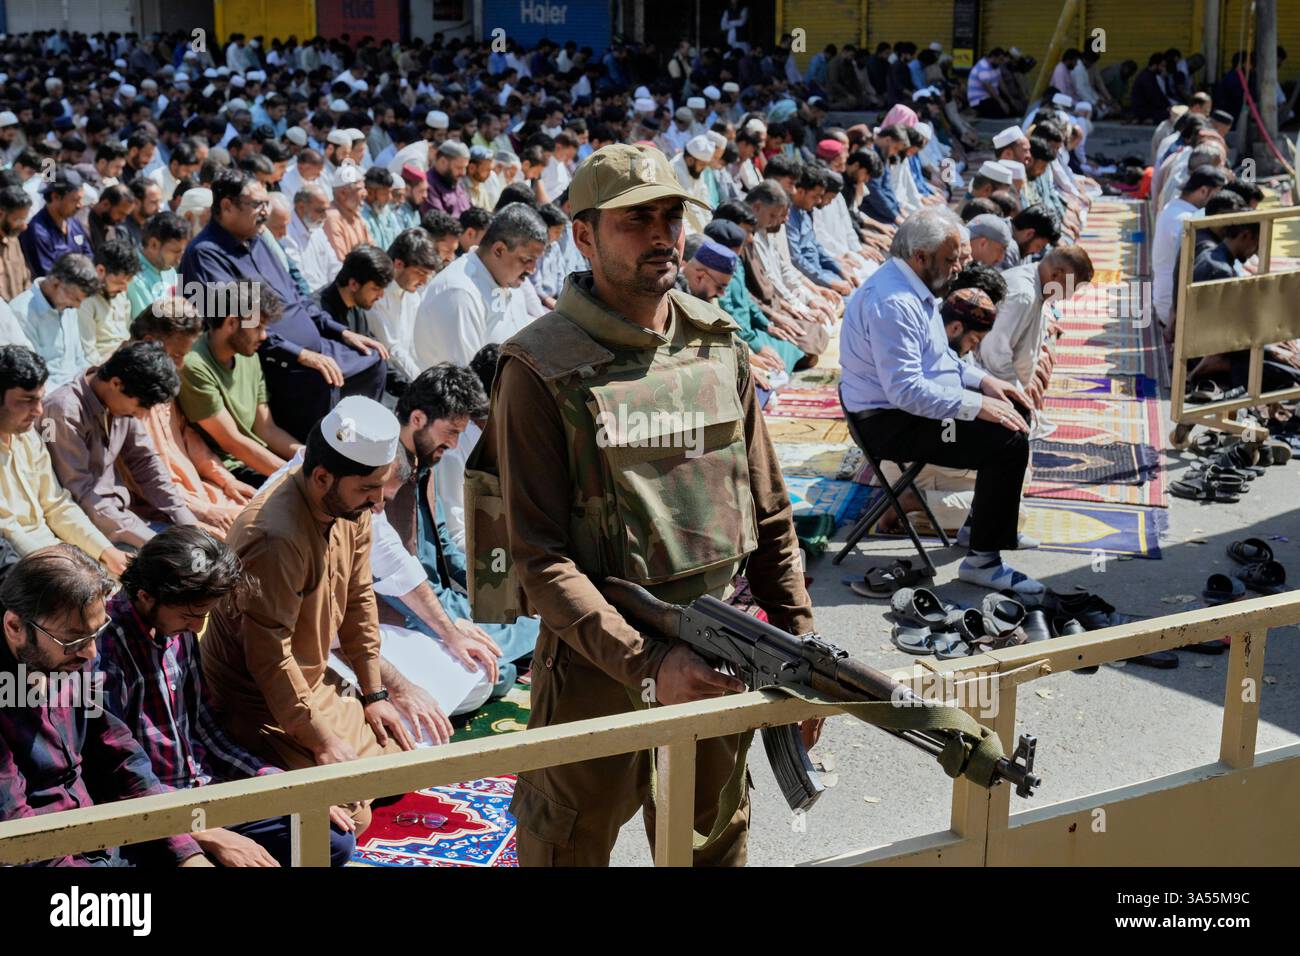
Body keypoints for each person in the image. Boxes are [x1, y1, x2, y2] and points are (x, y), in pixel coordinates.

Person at [471, 144, 816, 866]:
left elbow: (769, 511)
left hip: (723, 652)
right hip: (598, 663)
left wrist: (799, 645)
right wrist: (650, 663)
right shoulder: (538, 367)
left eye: (670, 216)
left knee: (708, 844)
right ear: (585, 235)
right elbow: (538, 558)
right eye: (636, 220)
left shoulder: (717, 342)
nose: (662, 234)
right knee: (567, 844)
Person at [200, 398, 418, 834]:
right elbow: (269, 657)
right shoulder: (275, 535)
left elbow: (359, 600)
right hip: (257, 701)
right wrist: (320, 740)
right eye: (368, 490)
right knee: (346, 819)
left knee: (400, 756)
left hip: (312, 683)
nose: (378, 504)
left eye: (381, 489)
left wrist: (374, 695)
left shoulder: (351, 508)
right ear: (321, 477)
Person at [98, 526, 357, 866]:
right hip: (150, 811)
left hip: (206, 793)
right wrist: (207, 833)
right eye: (190, 616)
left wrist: (283, 785)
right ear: (146, 596)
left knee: (330, 839)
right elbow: (118, 774)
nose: (196, 627)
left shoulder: (179, 631)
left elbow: (207, 730)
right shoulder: (104, 648)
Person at [839, 206, 1042, 595]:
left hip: (906, 410)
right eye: (951, 260)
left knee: (1015, 412)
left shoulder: (918, 290)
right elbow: (907, 391)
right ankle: (983, 560)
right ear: (920, 257)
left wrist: (984, 383)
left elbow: (941, 358)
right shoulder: (893, 303)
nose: (957, 269)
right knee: (1006, 442)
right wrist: (977, 406)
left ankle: (977, 531)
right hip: (890, 423)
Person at [0, 545, 209, 867]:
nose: (91, 654)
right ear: (15, 627)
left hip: (107, 844)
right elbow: (16, 833)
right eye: (74, 640)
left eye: (97, 633)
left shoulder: (68, 662)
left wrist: (186, 852)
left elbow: (122, 760)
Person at [179, 169, 388, 441]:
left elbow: (297, 297)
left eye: (266, 203)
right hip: (274, 360)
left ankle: (361, 444)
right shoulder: (204, 254)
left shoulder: (258, 240)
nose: (265, 212)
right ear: (227, 206)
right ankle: (329, 458)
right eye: (257, 205)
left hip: (316, 346)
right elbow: (234, 326)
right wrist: (300, 354)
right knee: (323, 378)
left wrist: (340, 332)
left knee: (374, 359)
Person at [43, 339, 199, 549]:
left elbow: (145, 462)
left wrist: (185, 519)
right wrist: (152, 543)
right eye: (141, 405)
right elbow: (80, 492)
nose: (143, 414)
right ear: (116, 383)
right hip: (91, 532)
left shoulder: (121, 404)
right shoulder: (62, 411)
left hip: (124, 518)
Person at [129, 296, 255, 538]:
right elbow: (142, 478)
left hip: (196, 490)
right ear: (149, 342)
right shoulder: (125, 391)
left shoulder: (162, 373)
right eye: (176, 355)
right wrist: (205, 511)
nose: (180, 365)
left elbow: (187, 435)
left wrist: (226, 479)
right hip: (160, 508)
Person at [0, 345, 129, 576]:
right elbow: (8, 530)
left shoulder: (28, 436)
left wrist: (105, 552)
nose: (38, 411)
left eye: (40, 399)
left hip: (59, 554)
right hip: (22, 570)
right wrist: (71, 570)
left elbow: (57, 505)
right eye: (27, 401)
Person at [179, 282, 300, 485]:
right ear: (231, 323)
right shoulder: (193, 365)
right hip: (229, 470)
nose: (264, 336)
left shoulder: (248, 354)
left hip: (258, 459)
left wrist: (310, 457)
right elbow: (232, 442)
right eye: (258, 327)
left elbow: (266, 429)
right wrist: (297, 477)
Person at [415, 203, 547, 368]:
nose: (532, 269)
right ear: (499, 250)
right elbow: (467, 381)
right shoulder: (459, 294)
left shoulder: (509, 279)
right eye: (527, 260)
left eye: (536, 261)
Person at [976, 247, 1094, 406]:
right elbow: (994, 355)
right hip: (990, 382)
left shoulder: (1035, 284)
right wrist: (1018, 391)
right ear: (1056, 275)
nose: (1068, 297)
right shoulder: (1023, 297)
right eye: (1071, 289)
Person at [9, 251, 99, 390]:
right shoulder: (21, 313)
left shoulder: (68, 308)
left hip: (76, 388)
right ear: (56, 284)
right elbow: (32, 377)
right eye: (75, 299)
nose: (77, 306)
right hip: (50, 396)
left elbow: (79, 359)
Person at [365, 228, 440, 392]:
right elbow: (393, 350)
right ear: (398, 264)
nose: (424, 281)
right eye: (420, 273)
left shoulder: (411, 294)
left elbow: (415, 344)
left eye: (428, 275)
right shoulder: (376, 296)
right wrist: (424, 385)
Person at [77, 237, 138, 364]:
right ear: (100, 271)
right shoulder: (84, 301)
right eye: (119, 283)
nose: (124, 289)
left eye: (128, 283)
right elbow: (89, 355)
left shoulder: (119, 294)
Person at [19, 169, 91, 277]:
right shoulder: (37, 232)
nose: (79, 205)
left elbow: (89, 256)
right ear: (55, 197)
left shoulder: (74, 223)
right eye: (75, 200)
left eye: (81, 200)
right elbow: (47, 274)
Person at [125, 211, 189, 317]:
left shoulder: (169, 270)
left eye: (182, 252)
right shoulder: (133, 276)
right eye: (175, 251)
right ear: (153, 244)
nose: (179, 259)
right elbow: (151, 325)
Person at [0, 185, 34, 302]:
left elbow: (26, 280)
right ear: (1, 214)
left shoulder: (13, 240)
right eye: (18, 220)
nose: (24, 226)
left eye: (24, 219)